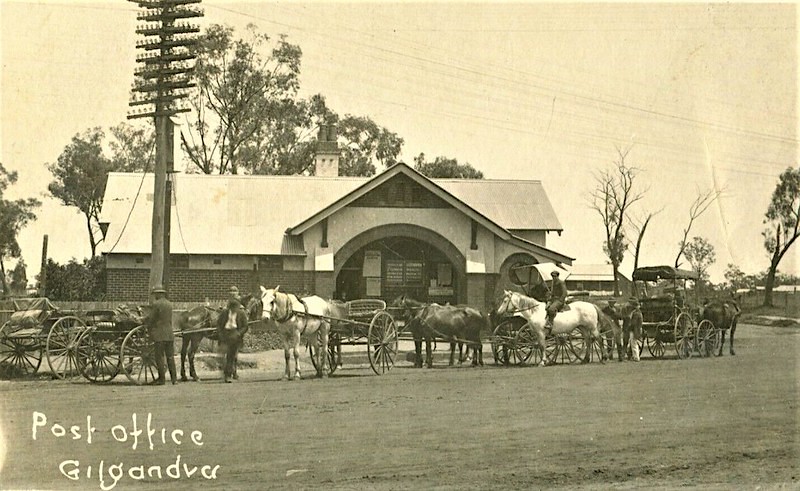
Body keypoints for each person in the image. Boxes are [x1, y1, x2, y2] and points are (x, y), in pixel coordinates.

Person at [145, 286, 177, 385]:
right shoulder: (169, 304)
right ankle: (174, 379)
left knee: (159, 357)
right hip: (169, 334)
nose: (154, 296)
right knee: (170, 357)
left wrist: (147, 325)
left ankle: (162, 379)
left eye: (155, 294)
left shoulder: (156, 304)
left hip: (159, 335)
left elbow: (152, 318)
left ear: (159, 294)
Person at [216, 297, 249, 383]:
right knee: (222, 355)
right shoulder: (224, 313)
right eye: (232, 308)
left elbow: (245, 326)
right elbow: (219, 324)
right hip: (225, 334)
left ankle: (228, 375)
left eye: (235, 308)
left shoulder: (241, 314)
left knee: (230, 356)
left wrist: (239, 333)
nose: (234, 310)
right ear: (230, 307)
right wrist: (220, 334)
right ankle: (226, 371)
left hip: (235, 335)